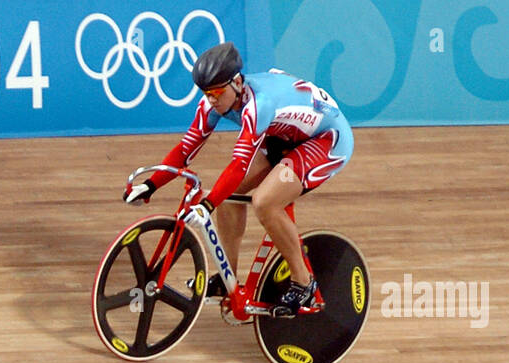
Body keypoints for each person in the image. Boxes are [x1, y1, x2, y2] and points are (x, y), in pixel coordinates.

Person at [124, 41, 354, 318]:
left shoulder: (259, 104)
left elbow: (238, 164)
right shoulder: (214, 101)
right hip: (283, 137)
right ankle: (226, 278)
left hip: (325, 140)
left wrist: (206, 204)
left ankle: (304, 282)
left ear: (236, 82)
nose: (211, 100)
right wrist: (151, 185)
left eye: (217, 93)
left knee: (264, 202)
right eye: (206, 93)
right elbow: (186, 148)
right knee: (228, 198)